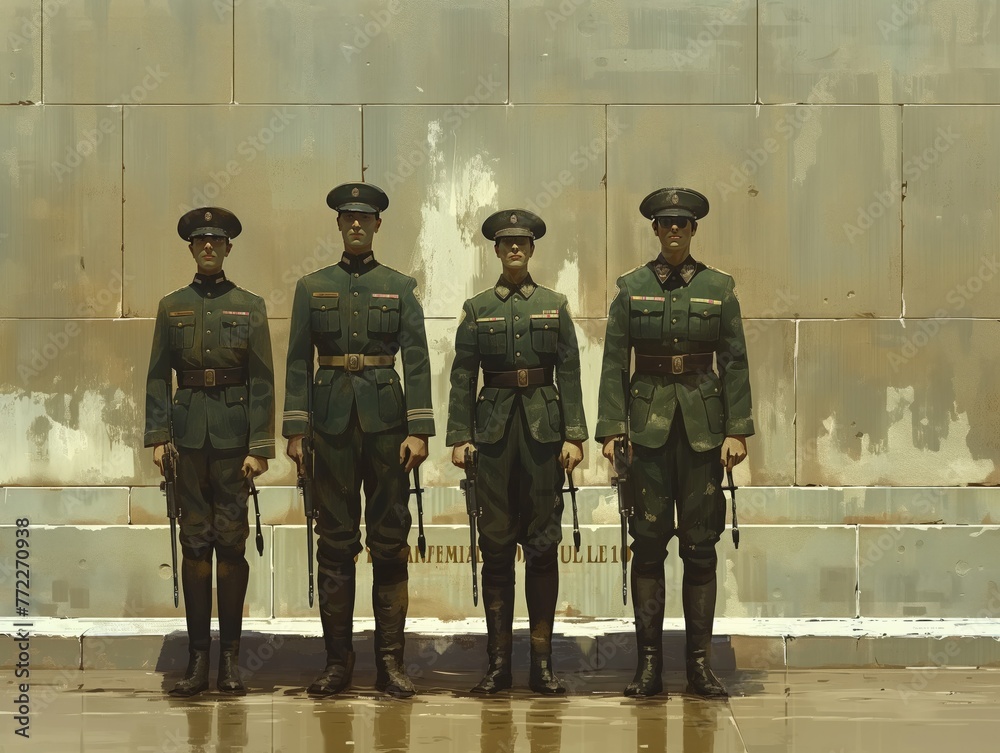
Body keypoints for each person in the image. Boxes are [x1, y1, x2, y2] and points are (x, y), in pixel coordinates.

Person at [595, 187, 753, 698]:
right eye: (666, 225)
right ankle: (647, 668)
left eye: (682, 224)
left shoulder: (719, 288)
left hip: (704, 432)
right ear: (655, 230)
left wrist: (736, 429)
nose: (675, 232)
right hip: (647, 429)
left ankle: (700, 667)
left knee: (700, 547)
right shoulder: (631, 287)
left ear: (693, 230)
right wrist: (612, 427)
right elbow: (615, 361)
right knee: (646, 546)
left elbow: (734, 360)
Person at [283, 182, 434, 698]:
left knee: (389, 541)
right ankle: (337, 663)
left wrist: (419, 428)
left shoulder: (400, 285)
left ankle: (390, 663)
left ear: (376, 226)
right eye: (348, 217)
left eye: (364, 219)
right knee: (335, 543)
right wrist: (297, 430)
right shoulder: (311, 287)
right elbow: (298, 360)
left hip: (388, 428)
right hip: (330, 426)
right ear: (339, 223)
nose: (355, 225)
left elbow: (416, 357)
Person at [447, 209, 587, 695]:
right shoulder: (477, 307)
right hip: (493, 436)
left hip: (544, 435)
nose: (514, 250)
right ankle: (498, 664)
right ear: (495, 250)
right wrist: (460, 435)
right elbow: (464, 375)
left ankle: (542, 665)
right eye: (506, 243)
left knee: (543, 546)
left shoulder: (554, 305)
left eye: (522, 243)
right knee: (497, 547)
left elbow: (568, 371)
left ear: (531, 249)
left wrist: (574, 434)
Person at [144, 206, 275, 697]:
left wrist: (260, 447)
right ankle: (199, 662)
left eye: (216, 242)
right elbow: (158, 375)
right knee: (194, 545)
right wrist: (159, 437)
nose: (207, 248)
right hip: (187, 440)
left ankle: (232, 663)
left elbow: (262, 379)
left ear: (227, 248)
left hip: (234, 441)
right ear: (192, 248)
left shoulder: (249, 304)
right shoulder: (171, 305)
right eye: (200, 242)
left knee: (231, 545)